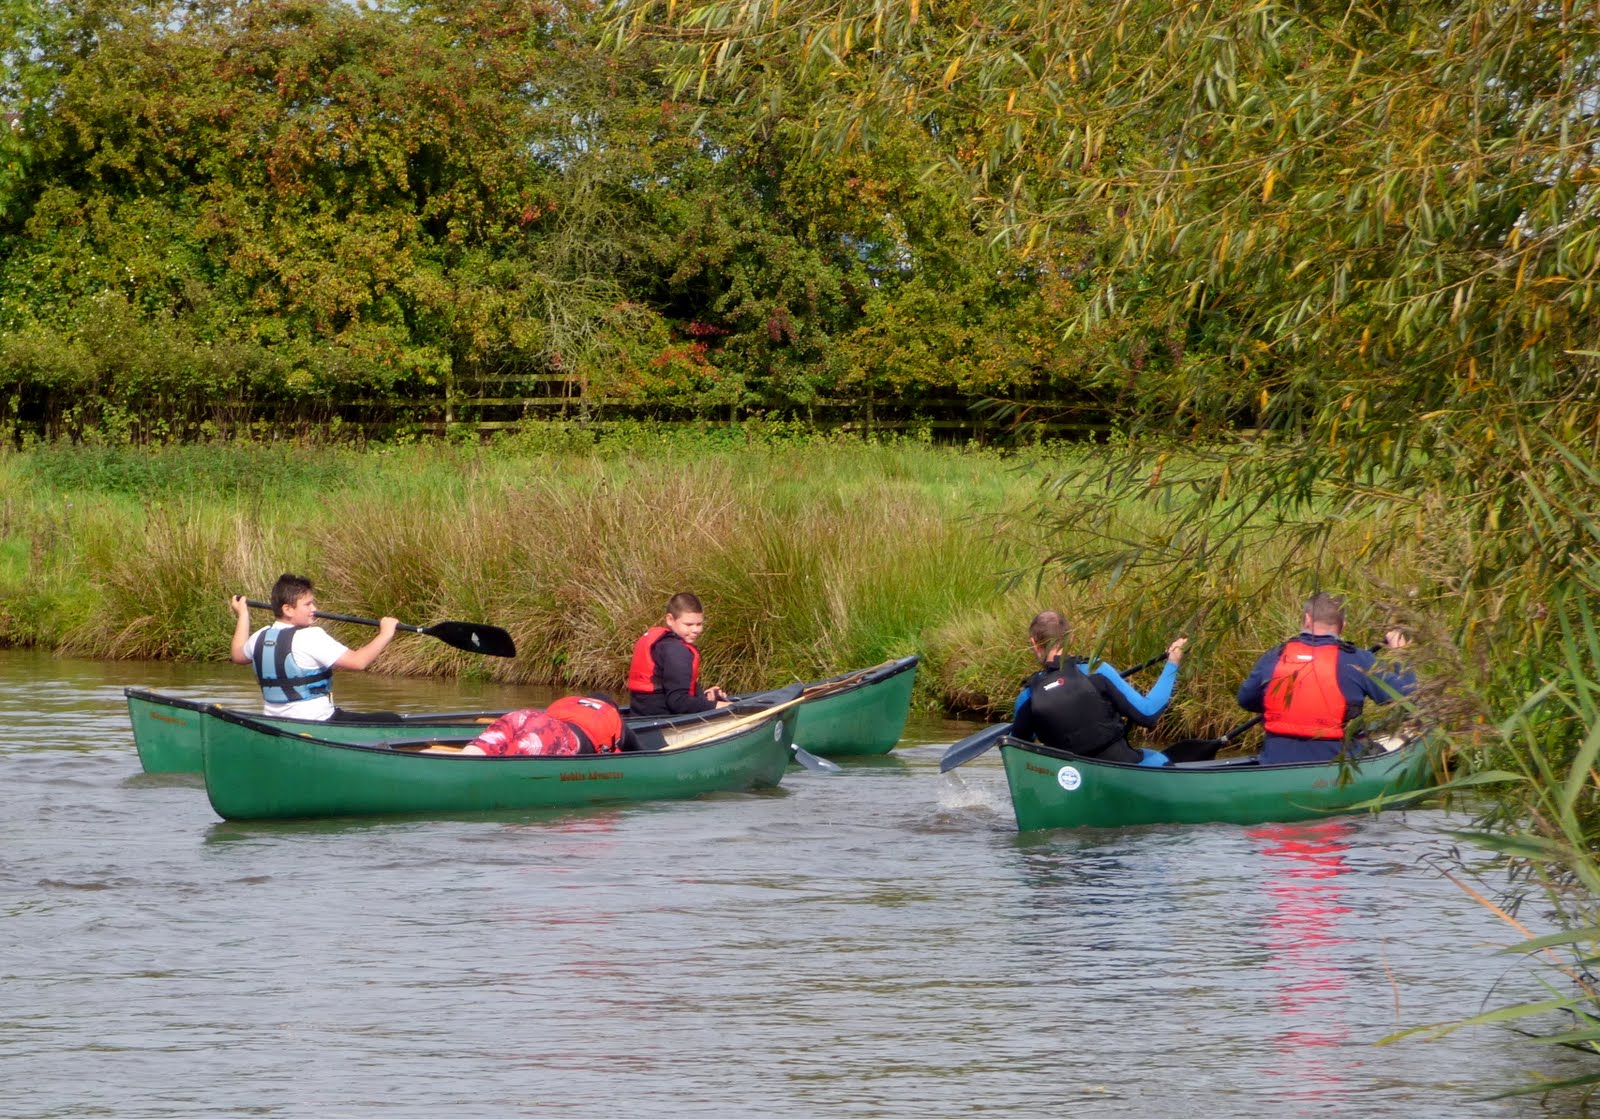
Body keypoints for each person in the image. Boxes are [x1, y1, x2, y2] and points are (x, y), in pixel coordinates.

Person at [1236, 591, 1416, 765]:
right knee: (1373, 748)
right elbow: (1407, 699)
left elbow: (1246, 700)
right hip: (1334, 764)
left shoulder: (1275, 656)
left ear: (1307, 619)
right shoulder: (1358, 659)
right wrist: (1402, 653)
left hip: (1274, 762)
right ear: (1343, 624)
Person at [1011, 610, 1188, 766]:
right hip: (1120, 767)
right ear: (1071, 638)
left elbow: (1019, 749)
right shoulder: (1096, 670)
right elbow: (1148, 713)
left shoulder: (1027, 697)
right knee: (1158, 758)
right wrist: (1173, 663)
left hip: (1069, 778)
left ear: (1034, 643)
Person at [229, 573, 400, 721]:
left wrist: (243, 614)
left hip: (277, 723)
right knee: (393, 719)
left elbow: (237, 654)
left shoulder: (260, 636)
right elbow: (358, 662)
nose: (314, 609)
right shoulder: (310, 636)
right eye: (308, 604)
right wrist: (385, 634)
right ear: (288, 609)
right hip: (319, 721)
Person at [626, 591, 731, 717]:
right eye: (689, 624)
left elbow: (672, 689)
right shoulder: (676, 650)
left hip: (641, 714)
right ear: (670, 619)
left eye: (699, 624)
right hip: (663, 721)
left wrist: (703, 698)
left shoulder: (661, 644)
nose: (696, 630)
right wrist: (719, 706)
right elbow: (678, 702)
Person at [460, 695, 634, 756]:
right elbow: (641, 752)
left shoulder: (571, 702)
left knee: (476, 753)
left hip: (526, 716)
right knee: (506, 759)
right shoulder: (612, 716)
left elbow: (545, 718)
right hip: (557, 735)